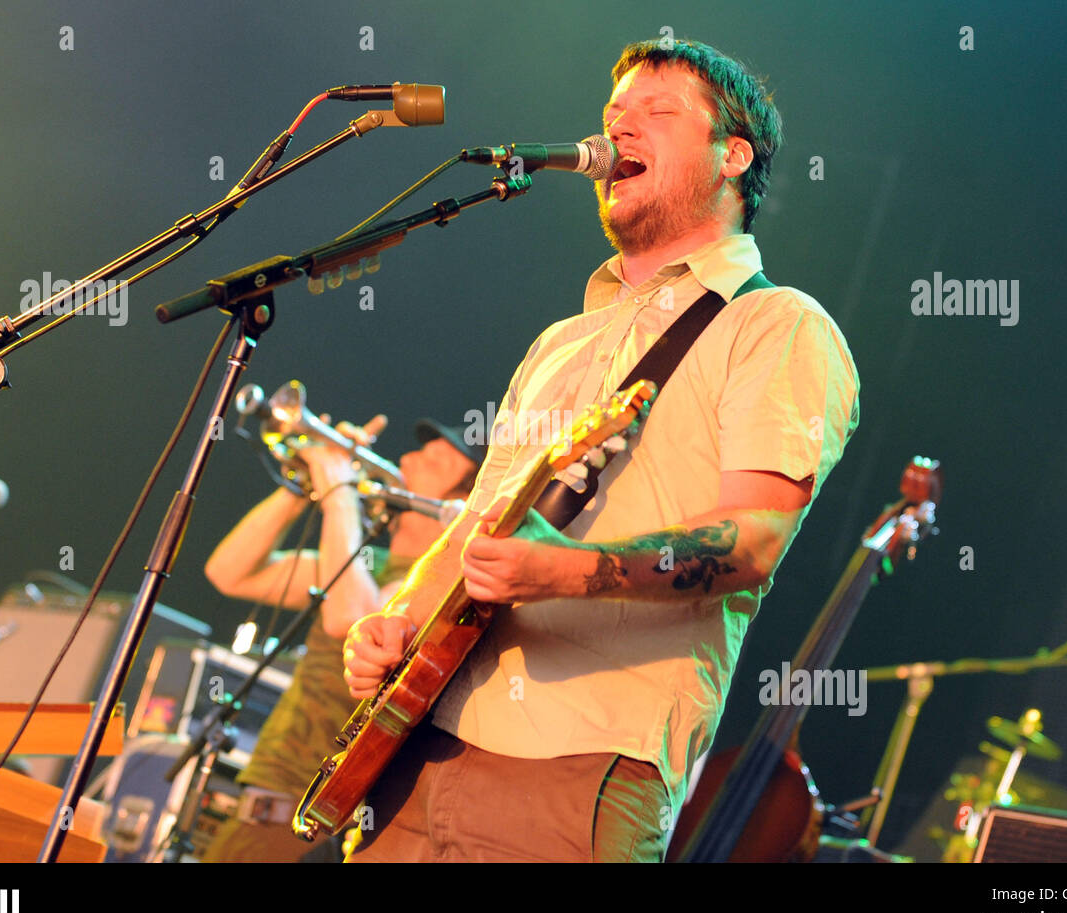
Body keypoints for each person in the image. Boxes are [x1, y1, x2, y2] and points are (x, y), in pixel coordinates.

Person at [341, 38, 862, 862]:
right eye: (613, 117)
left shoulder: (779, 325)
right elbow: (481, 519)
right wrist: (398, 616)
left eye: (656, 115)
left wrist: (565, 570)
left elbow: (754, 539)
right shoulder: (562, 338)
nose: (619, 133)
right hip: (420, 741)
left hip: (579, 763)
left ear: (733, 156)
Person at [199, 415, 482, 862]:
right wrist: (302, 487)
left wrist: (340, 495)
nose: (406, 458)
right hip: (263, 808)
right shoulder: (364, 560)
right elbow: (230, 572)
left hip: (316, 823)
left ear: (462, 503)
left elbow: (350, 619)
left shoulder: (434, 588)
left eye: (433, 461)